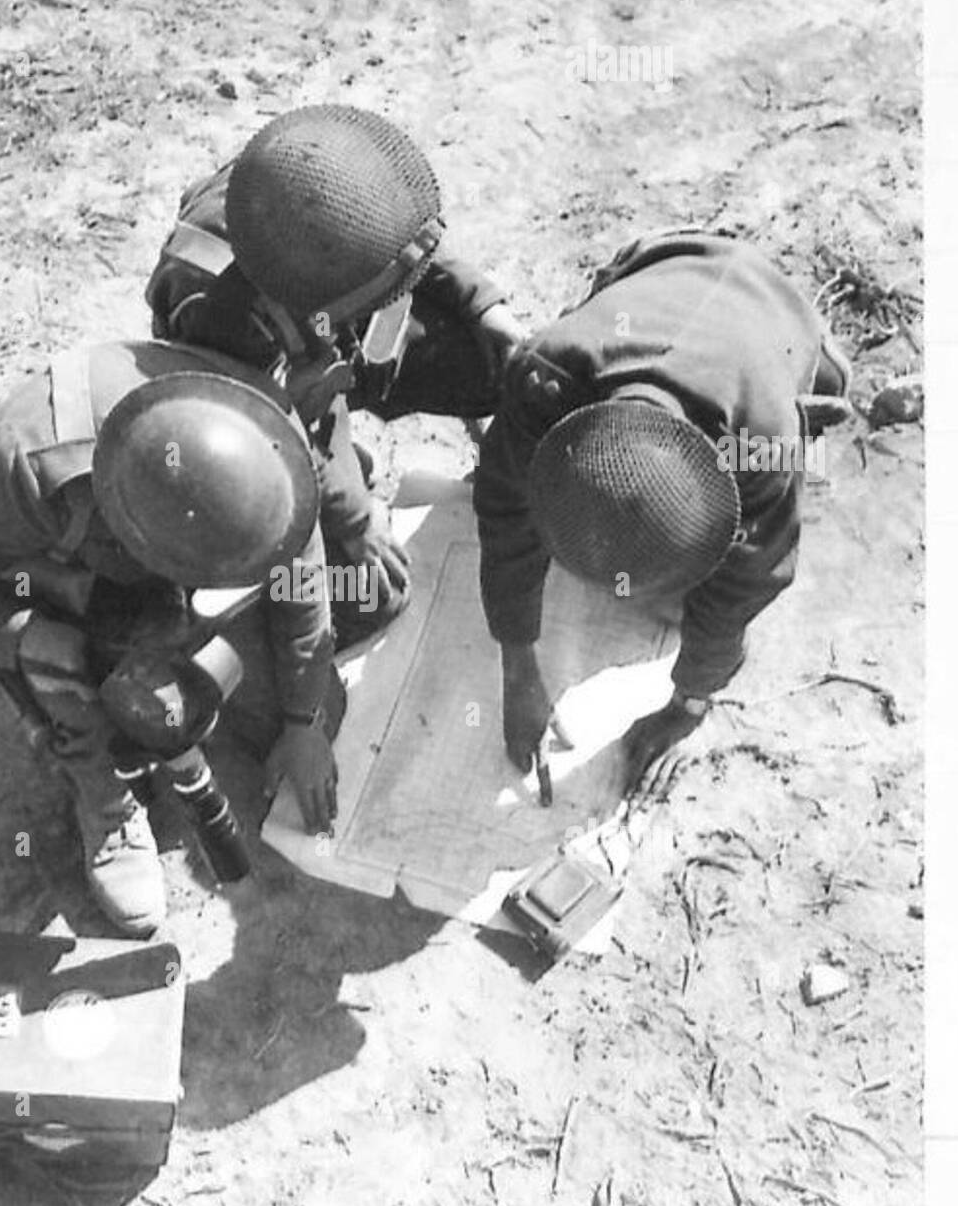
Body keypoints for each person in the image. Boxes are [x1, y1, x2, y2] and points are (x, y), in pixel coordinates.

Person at [0, 339, 339, 938]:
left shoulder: (262, 448)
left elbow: (297, 585)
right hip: (54, 571)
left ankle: (182, 639)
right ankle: (105, 798)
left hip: (150, 554)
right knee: (71, 661)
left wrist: (303, 720)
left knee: (298, 712)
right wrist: (24, 633)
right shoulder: (28, 474)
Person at [473, 228, 852, 798]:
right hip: (663, 260)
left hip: (779, 312)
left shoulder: (763, 441)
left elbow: (746, 584)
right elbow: (504, 510)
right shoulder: (548, 375)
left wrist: (690, 699)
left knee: (680, 608)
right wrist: (517, 664)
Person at [144, 103, 526, 644]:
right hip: (241, 411)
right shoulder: (219, 314)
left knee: (484, 366)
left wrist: (486, 307)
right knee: (372, 592)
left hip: (307, 348)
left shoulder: (306, 174)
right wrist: (355, 520)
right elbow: (284, 424)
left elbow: (398, 236)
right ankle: (218, 644)